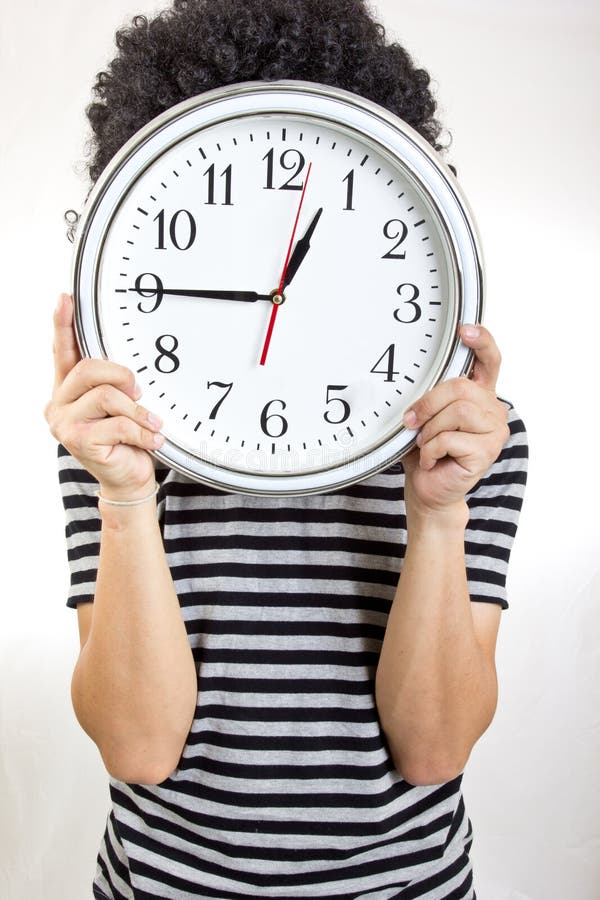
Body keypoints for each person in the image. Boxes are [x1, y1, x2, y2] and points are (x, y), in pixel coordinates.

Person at [45, 1, 528, 897]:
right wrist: (123, 495)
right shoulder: (116, 434)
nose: (279, 298)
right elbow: (139, 750)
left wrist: (438, 510)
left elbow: (434, 750)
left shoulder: (469, 438)